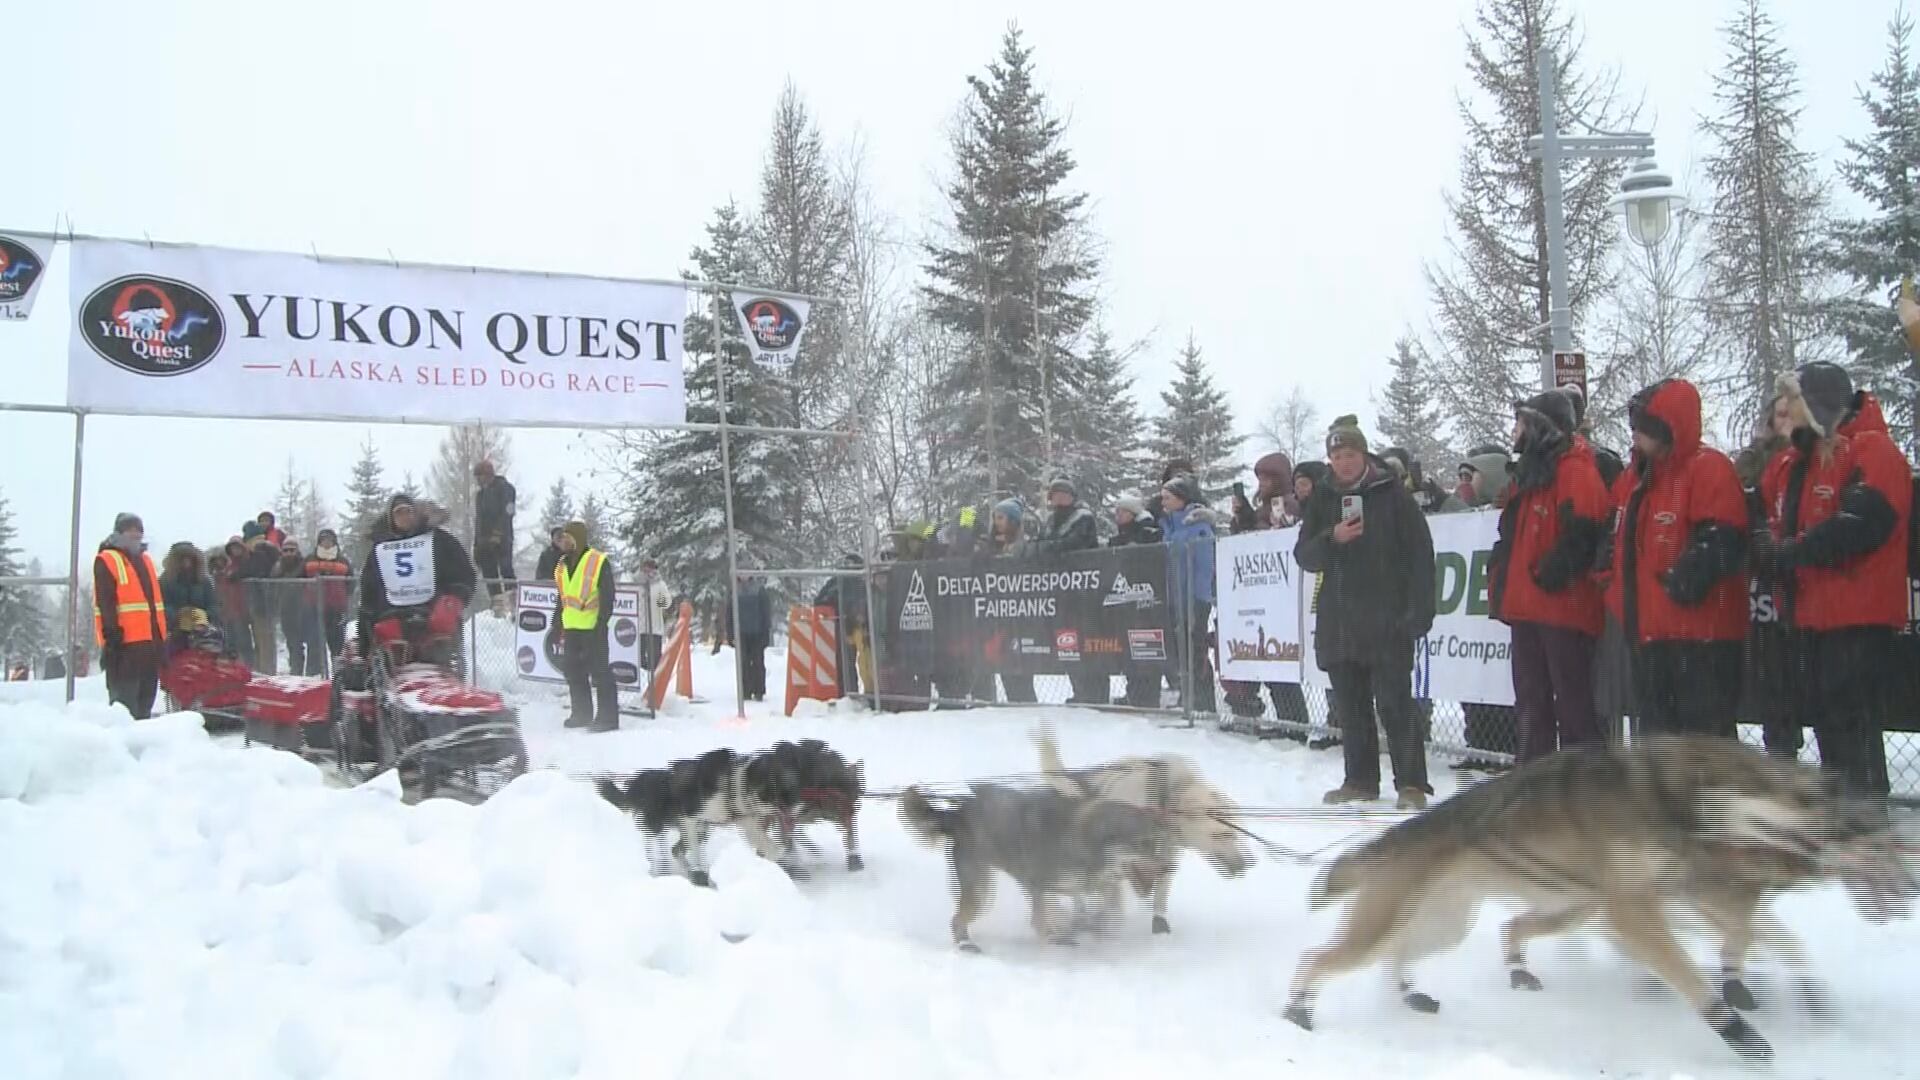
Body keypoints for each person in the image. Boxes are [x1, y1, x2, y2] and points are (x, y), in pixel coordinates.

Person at [1757, 364, 1911, 802]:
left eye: (1794, 403)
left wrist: (1796, 550)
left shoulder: (1871, 450)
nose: (1785, 413)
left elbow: (1865, 521)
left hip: (1857, 616)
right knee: (1830, 726)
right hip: (1812, 613)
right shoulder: (1800, 462)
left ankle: (1865, 828)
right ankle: (1848, 826)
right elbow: (1771, 514)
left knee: (1853, 729)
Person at [1295, 416, 1435, 809]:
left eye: (1350, 454)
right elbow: (1304, 555)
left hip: (1387, 620)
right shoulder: (1322, 498)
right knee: (1351, 706)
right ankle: (1359, 780)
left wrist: (1420, 612)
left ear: (1363, 454)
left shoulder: (1391, 493)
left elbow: (1421, 556)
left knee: (1395, 703)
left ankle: (1411, 783)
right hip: (1340, 621)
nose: (1343, 462)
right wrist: (1332, 538)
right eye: (1336, 455)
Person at [1608, 379, 1750, 740]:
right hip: (1650, 629)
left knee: (1705, 743)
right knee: (1659, 742)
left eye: (1645, 428)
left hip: (1701, 635)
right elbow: (1614, 537)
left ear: (1668, 429)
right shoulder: (1635, 479)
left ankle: (1713, 800)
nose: (1636, 436)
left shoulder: (1707, 468)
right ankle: (1670, 799)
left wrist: (1683, 582)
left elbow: (1723, 537)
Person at [1489, 391, 1611, 764]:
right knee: (1531, 700)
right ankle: (1535, 780)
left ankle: (1584, 784)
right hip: (1529, 606)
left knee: (1573, 704)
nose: (1515, 432)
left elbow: (1584, 533)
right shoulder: (1532, 473)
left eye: (1521, 423)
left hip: (1562, 609)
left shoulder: (1574, 469)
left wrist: (1549, 573)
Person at [1451, 448, 1519, 771]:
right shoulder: (1466, 512)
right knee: (1473, 682)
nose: (1464, 483)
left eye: (1471, 476)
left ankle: (1506, 747)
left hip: (1502, 610)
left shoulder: (1510, 505)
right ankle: (1479, 745)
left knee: (1501, 682)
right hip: (1473, 618)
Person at [1736, 392, 1796, 756]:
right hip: (1765, 580)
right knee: (1773, 674)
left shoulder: (1809, 459)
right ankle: (1781, 747)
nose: (1785, 421)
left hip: (1798, 577)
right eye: (1779, 414)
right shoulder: (1761, 458)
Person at [356, 493, 477, 669]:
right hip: (391, 612)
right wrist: (365, 634)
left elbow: (463, 573)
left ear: (415, 513)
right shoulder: (379, 550)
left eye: (408, 511)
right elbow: (369, 589)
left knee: (441, 640)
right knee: (389, 642)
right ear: (391, 518)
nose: (405, 517)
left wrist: (455, 597)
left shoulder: (439, 540)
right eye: (399, 513)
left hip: (433, 610)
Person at [1035, 477, 1105, 705]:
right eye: (1056, 493)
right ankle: (1080, 689)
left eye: (1064, 493)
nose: (1060, 497)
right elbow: (1041, 542)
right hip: (1059, 590)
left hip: (1085, 590)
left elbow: (1072, 543)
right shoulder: (1050, 521)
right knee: (1067, 642)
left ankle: (1096, 692)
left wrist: (1046, 548)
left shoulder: (1082, 517)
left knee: (1089, 641)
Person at [547, 520, 618, 732]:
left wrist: (600, 623)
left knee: (599, 673)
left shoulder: (598, 561)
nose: (563, 542)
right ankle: (582, 713)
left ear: (577, 539)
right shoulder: (561, 565)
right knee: (573, 672)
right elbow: (562, 598)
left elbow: (608, 596)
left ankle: (608, 718)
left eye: (567, 537)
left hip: (593, 628)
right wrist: (555, 626)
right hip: (571, 628)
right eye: (561, 538)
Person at [94, 513, 167, 720]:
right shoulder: (107, 559)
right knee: (124, 710)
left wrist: (161, 642)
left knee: (145, 706)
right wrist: (112, 638)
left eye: (138, 530)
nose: (135, 534)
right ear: (119, 532)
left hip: (149, 647)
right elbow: (106, 602)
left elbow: (154, 605)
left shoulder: (145, 560)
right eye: (130, 529)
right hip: (124, 648)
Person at [1160, 474, 1219, 715]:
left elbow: (1204, 563)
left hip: (1194, 596)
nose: (1163, 501)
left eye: (1168, 497)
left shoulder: (1198, 524)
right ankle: (1186, 695)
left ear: (1181, 498)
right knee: (1179, 648)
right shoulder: (1169, 525)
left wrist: (1198, 593)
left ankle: (1202, 700)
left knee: (1195, 649)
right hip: (1174, 595)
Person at [1108, 496, 1164, 708]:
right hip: (1125, 600)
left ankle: (1148, 695)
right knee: (1128, 648)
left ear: (1133, 513)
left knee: (1147, 647)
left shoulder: (1148, 532)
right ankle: (1133, 691)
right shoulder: (1120, 536)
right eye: (1116, 512)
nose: (1118, 516)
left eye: (1122, 512)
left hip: (1147, 599)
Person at [472, 461, 518, 616]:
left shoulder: (505, 488)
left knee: (506, 569)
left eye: (480, 476)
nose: (478, 481)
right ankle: (498, 607)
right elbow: (479, 521)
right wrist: (477, 544)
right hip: (484, 542)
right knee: (489, 572)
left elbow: (507, 513)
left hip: (503, 539)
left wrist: (497, 535)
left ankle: (514, 605)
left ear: (488, 475)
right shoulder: (480, 495)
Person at [273, 539, 324, 676]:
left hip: (305, 609)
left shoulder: (304, 564)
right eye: (286, 550)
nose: (289, 553)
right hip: (286, 611)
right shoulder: (278, 567)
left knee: (313, 643)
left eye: (292, 550)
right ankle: (296, 673)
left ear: (297, 551)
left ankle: (312, 674)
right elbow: (273, 586)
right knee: (293, 645)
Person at [238, 521, 282, 674]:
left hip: (262, 602)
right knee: (264, 640)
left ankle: (267, 672)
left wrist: (237, 575)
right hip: (264, 602)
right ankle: (265, 670)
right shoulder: (270, 550)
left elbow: (254, 570)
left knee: (265, 641)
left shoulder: (260, 552)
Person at [304, 529, 354, 664]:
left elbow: (351, 582)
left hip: (336, 609)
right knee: (314, 645)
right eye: (323, 540)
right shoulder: (309, 559)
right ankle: (313, 676)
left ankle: (339, 674)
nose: (326, 543)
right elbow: (300, 578)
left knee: (337, 645)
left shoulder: (343, 561)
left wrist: (342, 597)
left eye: (329, 540)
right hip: (314, 608)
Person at [159, 541, 216, 638]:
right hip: (176, 630)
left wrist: (205, 615)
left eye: (189, 558)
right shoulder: (165, 581)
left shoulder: (204, 580)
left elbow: (213, 603)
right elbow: (162, 605)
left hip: (203, 630)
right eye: (182, 559)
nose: (186, 562)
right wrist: (178, 615)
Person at [736, 575, 773, 703]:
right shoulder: (735, 590)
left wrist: (766, 631)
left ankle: (758, 690)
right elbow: (730, 612)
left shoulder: (759, 590)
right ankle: (745, 691)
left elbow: (765, 611)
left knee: (758, 662)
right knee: (743, 663)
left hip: (758, 632)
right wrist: (731, 633)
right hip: (741, 633)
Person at [637, 557, 673, 670]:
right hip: (638, 628)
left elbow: (667, 603)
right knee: (639, 660)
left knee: (654, 662)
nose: (648, 571)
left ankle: (655, 684)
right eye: (645, 568)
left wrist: (658, 600)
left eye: (651, 569)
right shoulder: (635, 582)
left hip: (654, 628)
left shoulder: (659, 584)